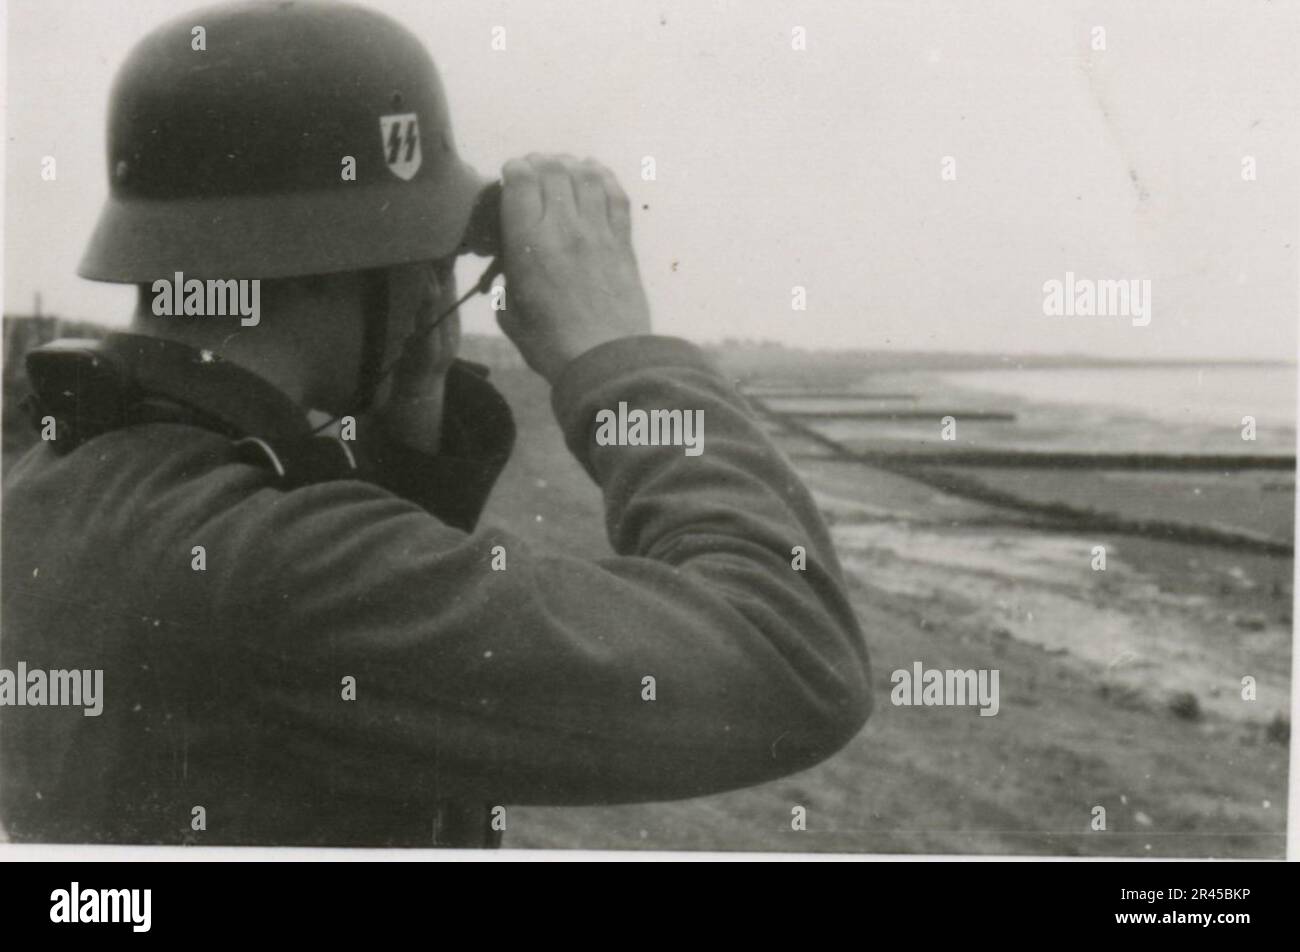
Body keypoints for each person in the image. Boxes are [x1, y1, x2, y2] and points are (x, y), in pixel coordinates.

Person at [1, 0, 872, 848]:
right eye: (427, 245)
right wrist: (620, 354)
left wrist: (407, 433)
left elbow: (362, 672)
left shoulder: (60, 476)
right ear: (356, 253)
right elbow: (787, 656)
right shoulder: (269, 568)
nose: (435, 277)